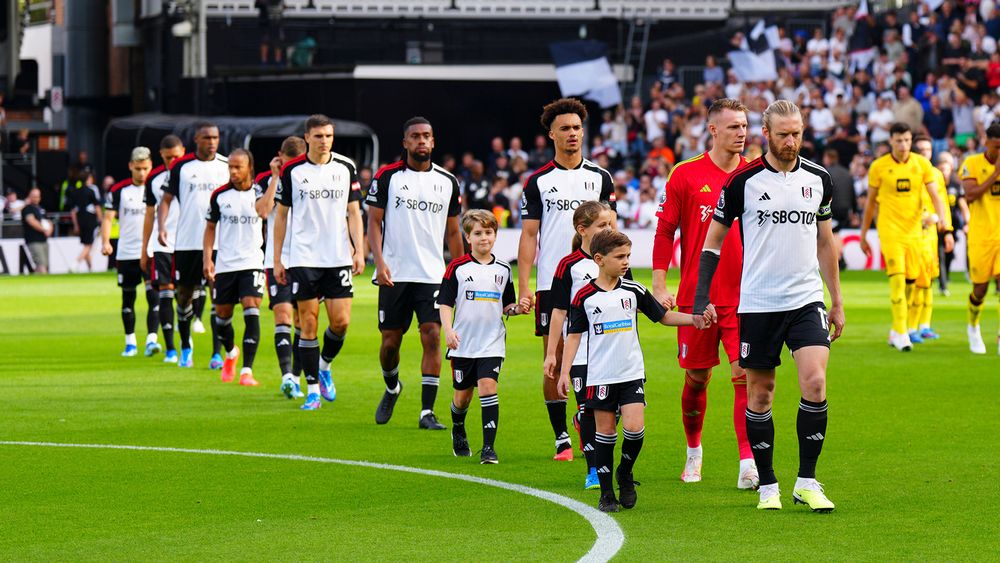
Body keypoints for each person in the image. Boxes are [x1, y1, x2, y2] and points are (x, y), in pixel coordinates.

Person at [693, 100, 845, 512]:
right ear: (767, 134)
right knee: (760, 393)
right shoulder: (744, 182)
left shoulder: (818, 178)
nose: (791, 141)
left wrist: (836, 299)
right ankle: (768, 485)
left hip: (805, 298)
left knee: (815, 382)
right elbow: (713, 243)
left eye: (797, 133)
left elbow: (825, 241)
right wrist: (701, 295)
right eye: (783, 134)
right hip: (758, 303)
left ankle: (808, 481)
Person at [561, 229, 710, 513]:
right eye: (620, 257)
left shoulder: (634, 290)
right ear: (599, 259)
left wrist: (694, 319)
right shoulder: (584, 297)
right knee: (605, 433)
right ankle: (606, 494)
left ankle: (625, 473)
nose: (626, 261)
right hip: (599, 376)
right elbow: (574, 336)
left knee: (634, 429)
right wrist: (564, 372)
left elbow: (663, 316)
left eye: (628, 255)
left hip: (630, 373)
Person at [651, 98, 757, 488]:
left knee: (745, 376)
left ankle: (748, 461)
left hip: (748, 296)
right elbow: (665, 231)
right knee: (697, 378)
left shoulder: (757, 174)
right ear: (713, 130)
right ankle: (694, 451)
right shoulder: (686, 174)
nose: (741, 133)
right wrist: (660, 282)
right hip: (699, 297)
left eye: (745, 126)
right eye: (733, 127)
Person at [517, 97, 616, 461]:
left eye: (577, 127)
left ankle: (587, 417)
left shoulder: (600, 178)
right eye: (565, 129)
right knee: (553, 358)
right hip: (551, 283)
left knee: (596, 355)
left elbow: (613, 231)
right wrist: (525, 286)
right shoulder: (539, 181)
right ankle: (562, 437)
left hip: (595, 281)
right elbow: (529, 236)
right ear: (551, 135)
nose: (573, 134)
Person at [367, 116, 464, 428]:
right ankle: (392, 386)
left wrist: (459, 273)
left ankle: (426, 412)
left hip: (432, 274)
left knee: (432, 335)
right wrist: (379, 261)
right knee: (390, 344)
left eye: (427, 136)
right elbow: (373, 222)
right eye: (415, 137)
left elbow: (453, 233)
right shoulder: (387, 177)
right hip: (394, 273)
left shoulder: (448, 182)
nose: (422, 141)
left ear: (433, 142)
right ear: (405, 142)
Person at [274, 114, 365, 410]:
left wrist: (359, 249)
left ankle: (324, 366)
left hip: (337, 256)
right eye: (318, 136)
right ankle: (313, 389)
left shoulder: (346, 168)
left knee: (341, 323)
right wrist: (278, 258)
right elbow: (281, 217)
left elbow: (354, 212)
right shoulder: (292, 171)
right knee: (309, 322)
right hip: (304, 256)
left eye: (328, 136)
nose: (324, 141)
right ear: (307, 138)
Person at [543, 201, 616, 490]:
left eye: (610, 224)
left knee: (613, 411)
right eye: (602, 225)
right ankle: (593, 470)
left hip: (614, 348)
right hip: (582, 348)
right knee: (589, 410)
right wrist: (552, 354)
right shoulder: (568, 266)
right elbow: (558, 311)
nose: (608, 229)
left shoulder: (616, 259)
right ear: (582, 230)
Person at [438, 210, 521, 464]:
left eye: (488, 232)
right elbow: (444, 303)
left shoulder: (504, 269)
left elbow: (507, 306)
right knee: (462, 396)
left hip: (492, 342)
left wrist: (518, 308)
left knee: (488, 387)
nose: (484, 238)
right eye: (478, 233)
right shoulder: (457, 268)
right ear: (468, 237)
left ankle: (488, 448)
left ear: (495, 235)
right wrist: (448, 330)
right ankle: (459, 427)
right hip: (463, 343)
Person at [860, 122, 947, 351]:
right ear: (891, 141)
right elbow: (870, 203)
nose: (904, 144)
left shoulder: (921, 165)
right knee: (898, 281)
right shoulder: (879, 167)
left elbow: (935, 195)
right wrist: (863, 234)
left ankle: (896, 330)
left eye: (907, 140)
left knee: (910, 285)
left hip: (915, 234)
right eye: (899, 140)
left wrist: (943, 220)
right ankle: (902, 334)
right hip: (890, 233)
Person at [158, 122, 230, 368]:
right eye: (207, 137)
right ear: (196, 139)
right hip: (188, 242)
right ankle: (186, 347)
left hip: (220, 242)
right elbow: (166, 200)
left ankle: (217, 354)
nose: (212, 142)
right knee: (184, 296)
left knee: (218, 297)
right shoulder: (182, 167)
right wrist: (162, 226)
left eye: (215, 137)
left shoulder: (226, 166)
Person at [203, 149, 264, 387]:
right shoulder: (219, 195)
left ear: (250, 167)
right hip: (225, 264)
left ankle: (247, 371)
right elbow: (209, 229)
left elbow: (268, 212)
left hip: (252, 262)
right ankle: (231, 354)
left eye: (238, 167)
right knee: (222, 317)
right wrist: (207, 259)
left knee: (251, 308)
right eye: (230, 167)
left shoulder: (260, 194)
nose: (233, 171)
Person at [255, 135, 307, 398]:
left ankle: (296, 378)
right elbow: (263, 211)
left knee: (303, 321)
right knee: (283, 315)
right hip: (278, 259)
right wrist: (276, 178)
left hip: (308, 259)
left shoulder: (311, 177)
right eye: (289, 162)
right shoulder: (266, 180)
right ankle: (286, 375)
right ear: (280, 157)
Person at [102, 147, 159, 357]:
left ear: (151, 166)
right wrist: (106, 241)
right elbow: (108, 218)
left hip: (152, 251)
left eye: (145, 168)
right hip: (126, 252)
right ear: (130, 167)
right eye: (138, 169)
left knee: (154, 296)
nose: (142, 173)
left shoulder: (157, 187)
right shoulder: (119, 190)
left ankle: (152, 339)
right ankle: (130, 342)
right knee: (128, 298)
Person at [141, 135, 185, 363]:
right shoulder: (154, 180)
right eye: (168, 158)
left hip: (189, 243)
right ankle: (170, 350)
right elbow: (149, 215)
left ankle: (189, 340)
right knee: (165, 293)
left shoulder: (191, 173)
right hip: (163, 244)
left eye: (177, 156)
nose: (173, 161)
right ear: (161, 156)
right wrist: (144, 248)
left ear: (183, 152)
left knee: (188, 294)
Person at [958, 123, 1000, 355]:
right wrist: (995, 173)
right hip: (981, 236)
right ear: (987, 142)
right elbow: (971, 195)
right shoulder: (972, 164)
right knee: (980, 289)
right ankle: (973, 326)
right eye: (997, 147)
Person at [910, 135, 955, 341]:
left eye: (927, 149)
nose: (924, 153)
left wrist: (947, 231)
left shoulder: (936, 174)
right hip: (913, 234)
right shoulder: (909, 172)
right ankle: (909, 327)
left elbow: (943, 203)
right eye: (920, 149)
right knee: (914, 283)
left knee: (928, 280)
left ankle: (925, 325)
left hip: (931, 236)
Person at [65, 172, 103, 272]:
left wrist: (75, 225)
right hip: (90, 220)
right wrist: (101, 220)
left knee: (86, 244)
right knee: (88, 245)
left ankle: (90, 268)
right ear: (88, 179)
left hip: (80, 220)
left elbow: (73, 211)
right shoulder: (91, 191)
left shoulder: (75, 192)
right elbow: (97, 207)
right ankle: (75, 263)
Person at [21, 187, 53, 274]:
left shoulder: (41, 209)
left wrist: (50, 229)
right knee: (41, 264)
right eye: (34, 196)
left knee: (44, 265)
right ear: (30, 197)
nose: (36, 198)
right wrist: (44, 230)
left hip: (43, 240)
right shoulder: (27, 208)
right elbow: (31, 221)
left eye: (38, 196)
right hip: (33, 240)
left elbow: (48, 221)